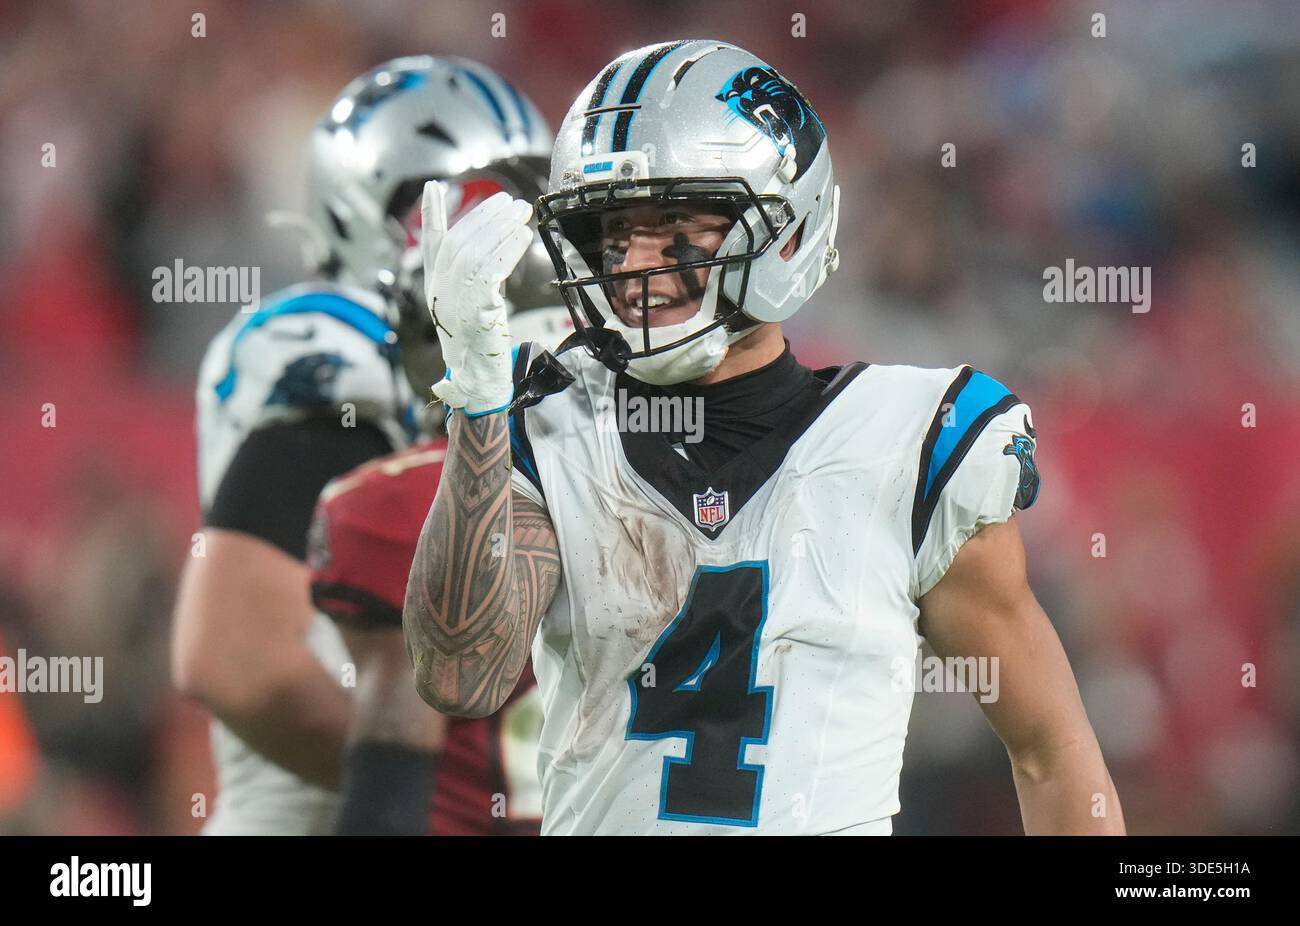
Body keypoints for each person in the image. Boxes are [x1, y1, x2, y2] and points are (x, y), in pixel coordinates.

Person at [403, 40, 1124, 835]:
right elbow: (462, 674)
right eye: (615, 232)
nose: (637, 262)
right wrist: (475, 403)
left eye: (675, 223)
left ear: (786, 226)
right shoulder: (551, 419)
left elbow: (1049, 749)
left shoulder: (912, 442)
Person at [170, 55, 553, 835]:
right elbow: (235, 662)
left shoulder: (517, 366)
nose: (497, 235)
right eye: (468, 201)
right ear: (366, 207)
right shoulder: (337, 362)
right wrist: (451, 797)